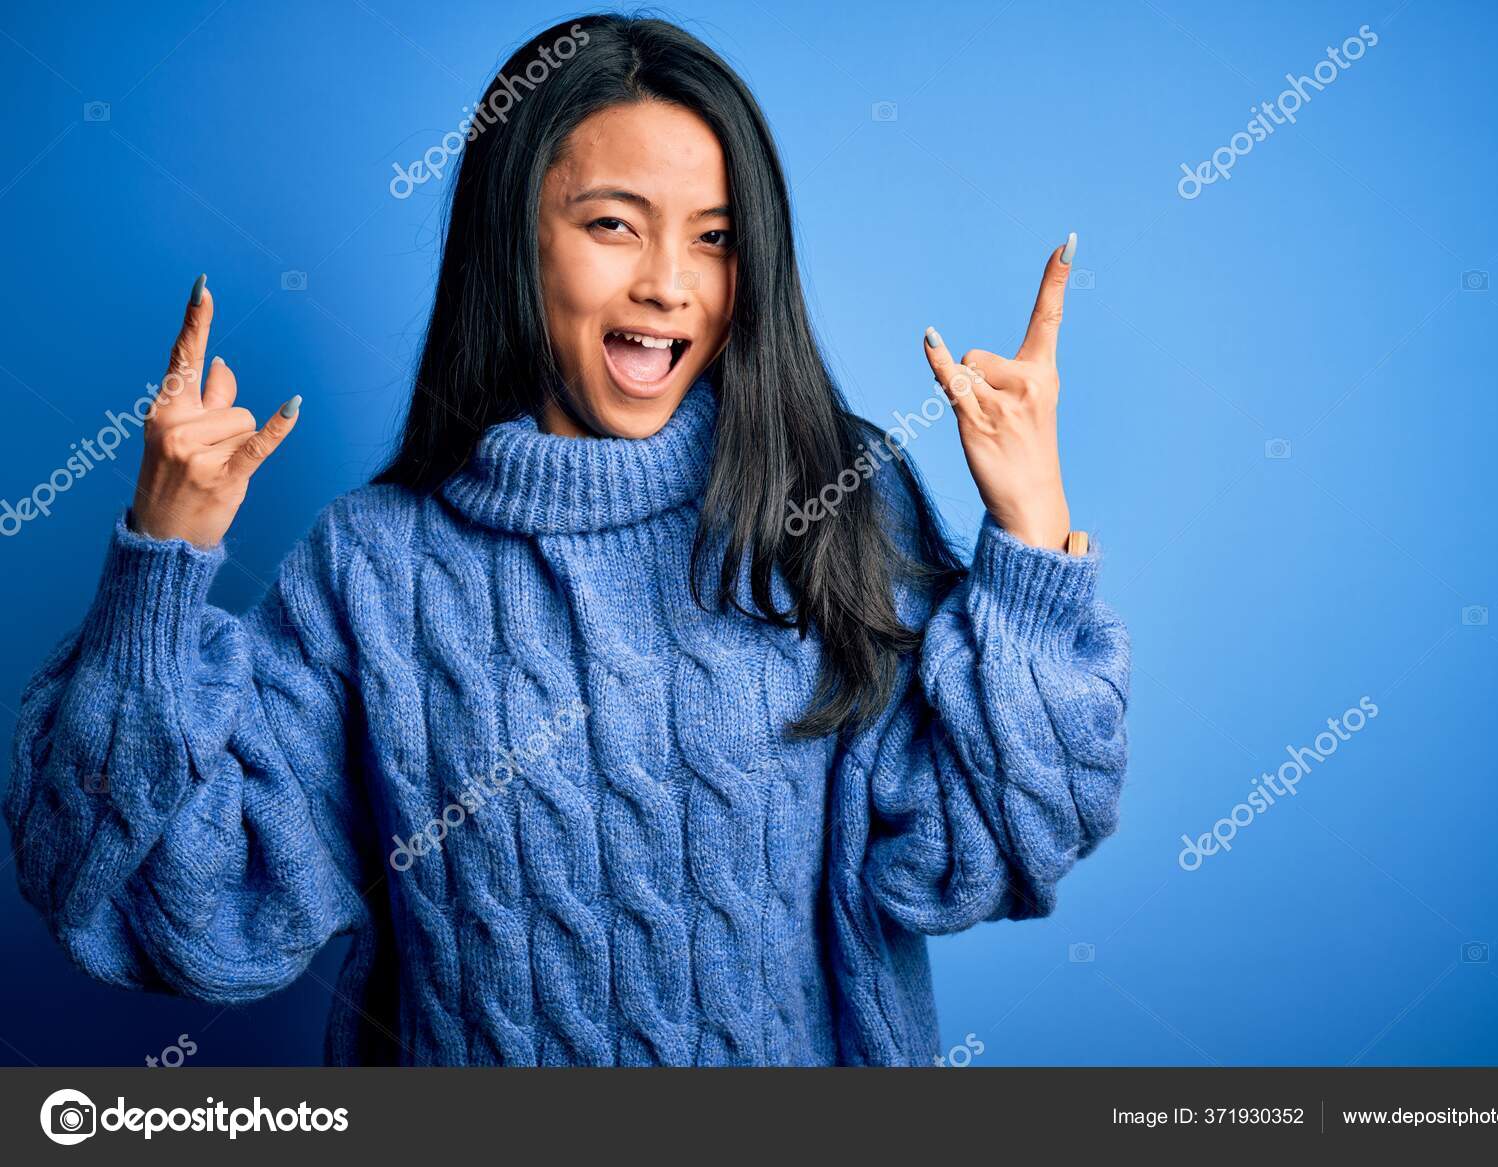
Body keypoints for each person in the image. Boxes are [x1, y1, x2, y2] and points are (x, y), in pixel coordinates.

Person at [4, 13, 1130, 1066]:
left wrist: (1028, 536)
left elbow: (985, 852)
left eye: (716, 238)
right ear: (515, 237)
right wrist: (159, 563)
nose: (670, 284)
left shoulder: (829, 506)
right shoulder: (373, 565)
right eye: (611, 224)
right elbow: (170, 913)